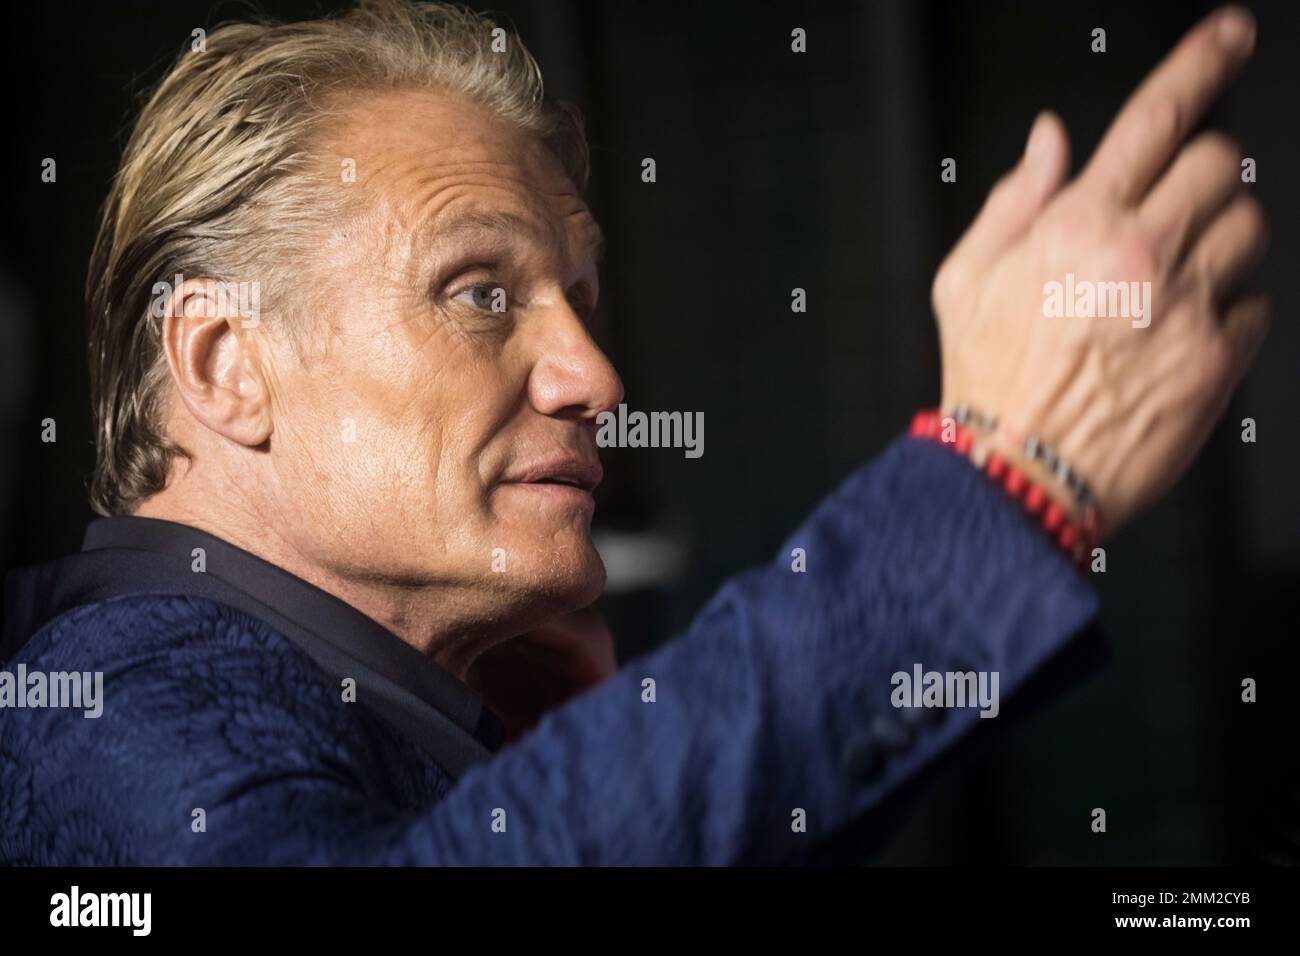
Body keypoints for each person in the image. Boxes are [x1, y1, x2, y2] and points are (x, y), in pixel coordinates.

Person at [0, 1, 1267, 864]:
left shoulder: (351, 710)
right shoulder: (104, 706)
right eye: (479, 291)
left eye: (581, 299)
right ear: (226, 364)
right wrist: (999, 476)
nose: (593, 372)